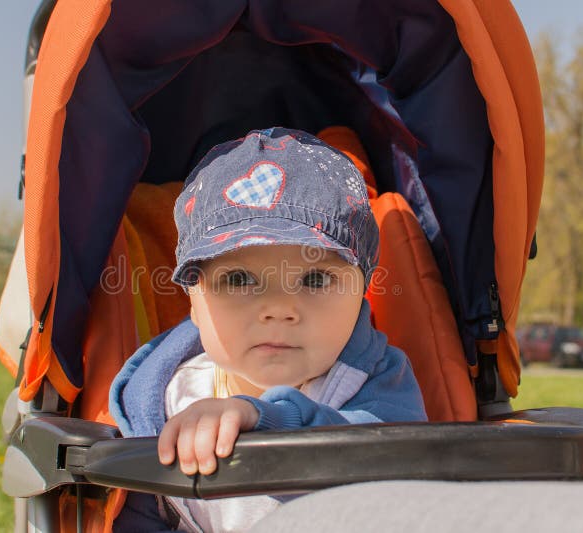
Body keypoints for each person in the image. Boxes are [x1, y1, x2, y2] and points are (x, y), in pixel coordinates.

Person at [109, 127, 427, 532]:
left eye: (315, 281)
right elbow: (142, 515)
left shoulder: (374, 382)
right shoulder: (165, 398)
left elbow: (389, 471)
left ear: (361, 293)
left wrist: (272, 420)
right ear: (193, 297)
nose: (279, 309)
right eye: (239, 280)